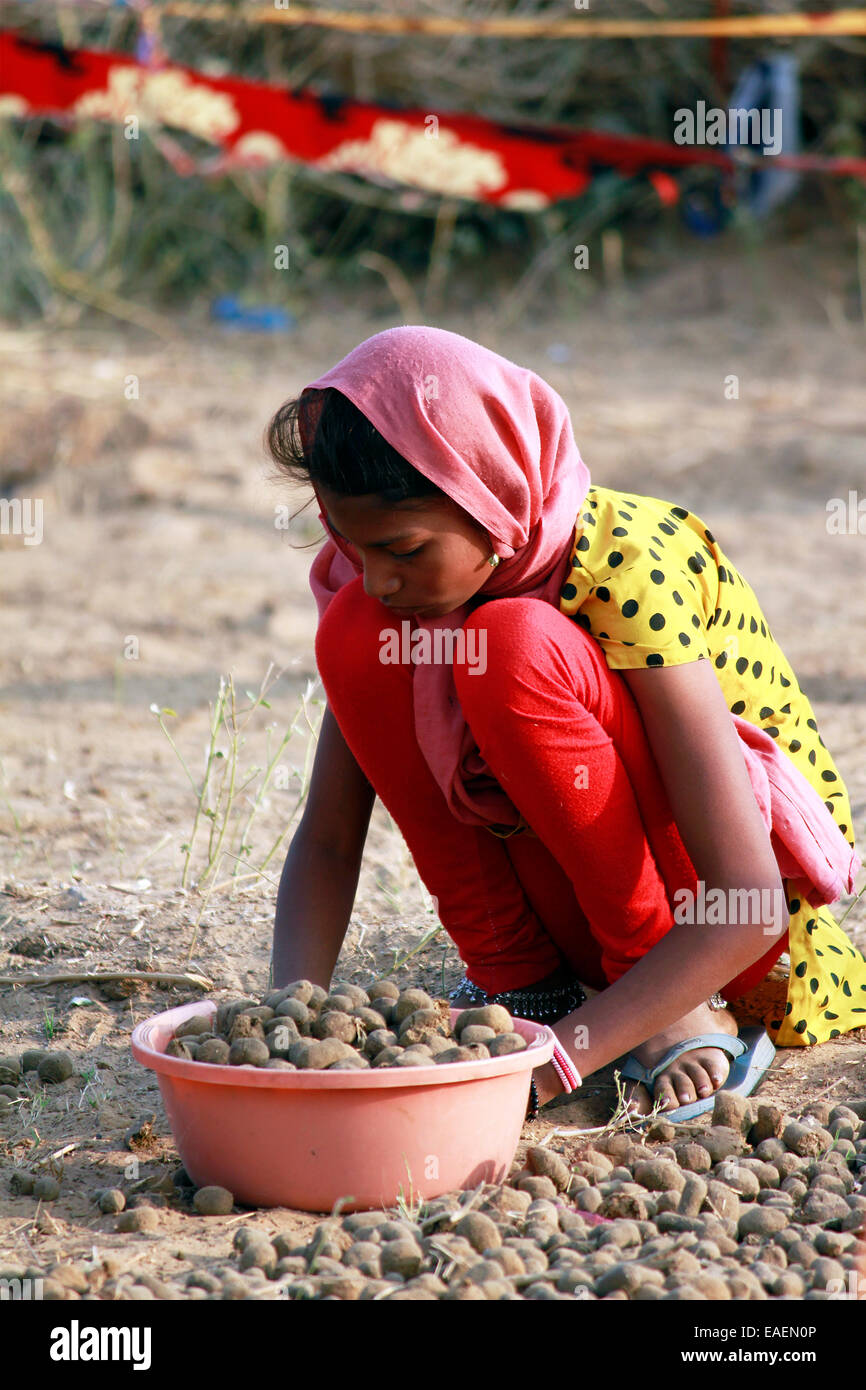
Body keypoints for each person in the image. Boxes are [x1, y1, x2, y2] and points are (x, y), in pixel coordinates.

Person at [265, 325, 864, 1121]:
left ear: (490, 494)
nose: (378, 577)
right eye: (352, 543)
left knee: (511, 646)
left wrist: (552, 1068)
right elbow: (332, 836)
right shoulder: (382, 597)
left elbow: (747, 903)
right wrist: (284, 1021)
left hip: (719, 943)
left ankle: (668, 1008)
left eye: (402, 548)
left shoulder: (627, 561)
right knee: (355, 627)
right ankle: (523, 988)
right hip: (571, 926)